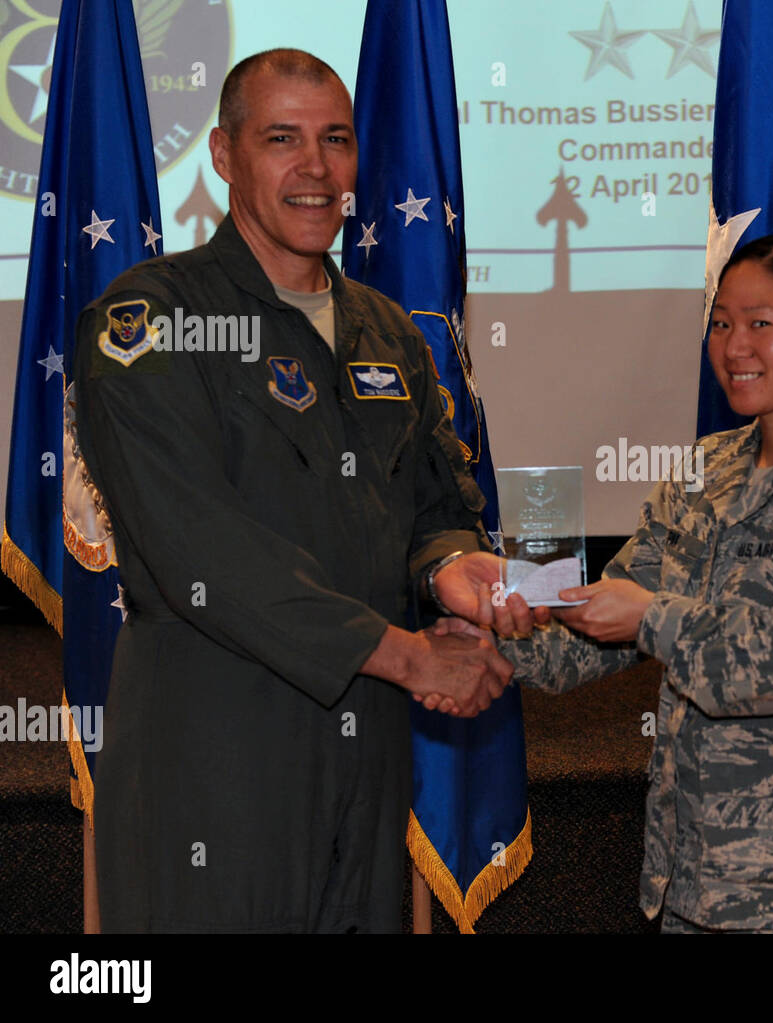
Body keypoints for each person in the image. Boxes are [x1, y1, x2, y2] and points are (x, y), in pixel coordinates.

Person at [72, 49, 533, 933]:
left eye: (336, 140)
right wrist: (411, 656)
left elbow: (437, 507)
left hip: (366, 759)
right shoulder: (150, 323)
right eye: (282, 138)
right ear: (221, 153)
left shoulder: (387, 329)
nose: (315, 168)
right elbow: (202, 553)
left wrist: (453, 573)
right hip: (216, 764)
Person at [439, 236, 773, 931]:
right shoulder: (703, 474)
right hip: (692, 885)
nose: (735, 345)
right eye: (721, 323)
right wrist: (501, 615)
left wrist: (652, 618)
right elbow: (592, 639)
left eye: (761, 323)